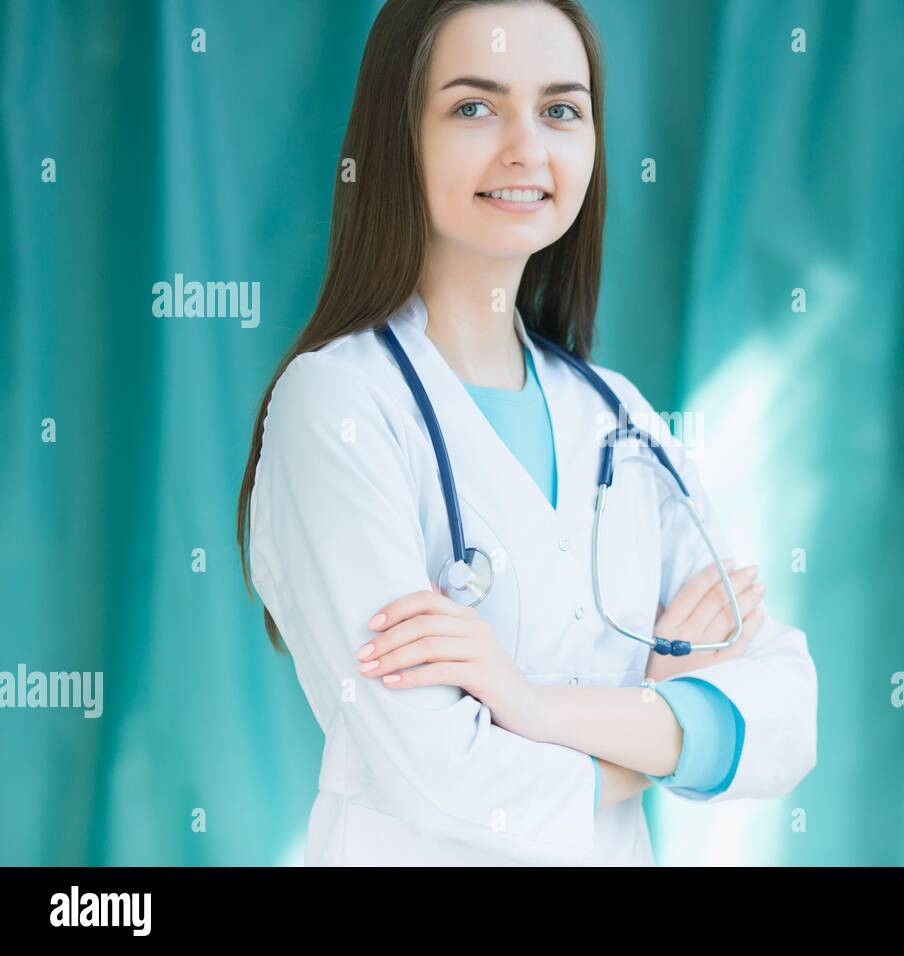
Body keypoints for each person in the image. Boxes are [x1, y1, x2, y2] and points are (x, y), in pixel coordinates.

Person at [235, 0, 817, 866]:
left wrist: (529, 705)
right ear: (400, 137)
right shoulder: (339, 407)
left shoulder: (621, 420)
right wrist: (659, 729)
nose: (527, 149)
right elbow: (447, 779)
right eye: (475, 106)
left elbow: (783, 716)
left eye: (561, 109)